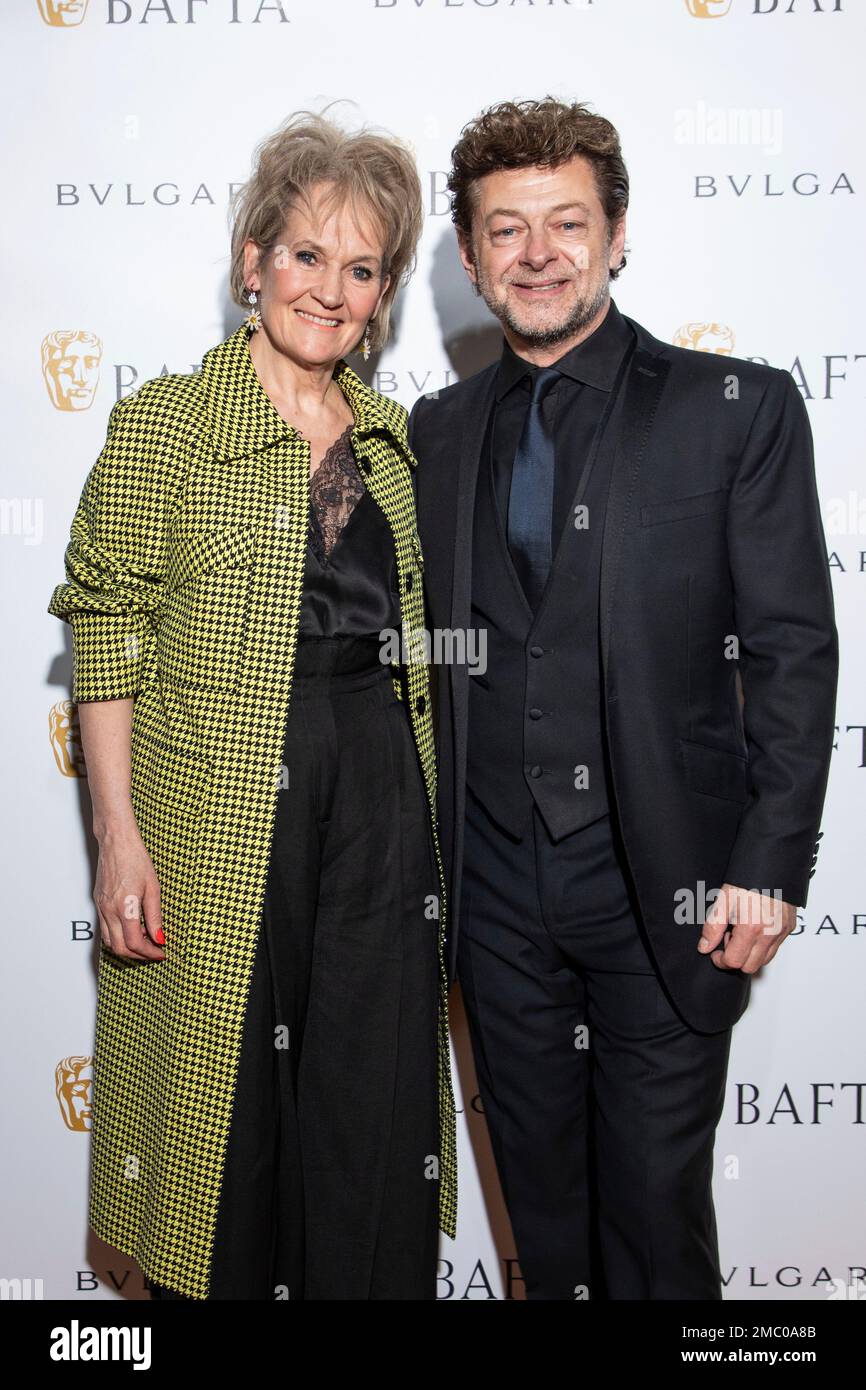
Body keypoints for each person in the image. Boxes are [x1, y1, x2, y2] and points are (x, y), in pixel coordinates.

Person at [408, 96, 837, 1300]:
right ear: (469, 255)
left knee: (651, 1222)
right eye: (504, 229)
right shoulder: (435, 433)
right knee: (543, 1224)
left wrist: (769, 864)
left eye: (563, 222)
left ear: (617, 232)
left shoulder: (730, 411)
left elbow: (795, 650)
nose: (536, 252)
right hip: (492, 900)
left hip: (668, 891)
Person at [47, 109, 457, 1301]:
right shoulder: (168, 423)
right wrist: (116, 837)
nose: (330, 290)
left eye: (362, 266)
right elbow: (107, 628)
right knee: (225, 1111)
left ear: (381, 295)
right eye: (305, 255)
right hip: (222, 805)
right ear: (251, 264)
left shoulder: (395, 442)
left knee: (371, 1097)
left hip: (381, 801)